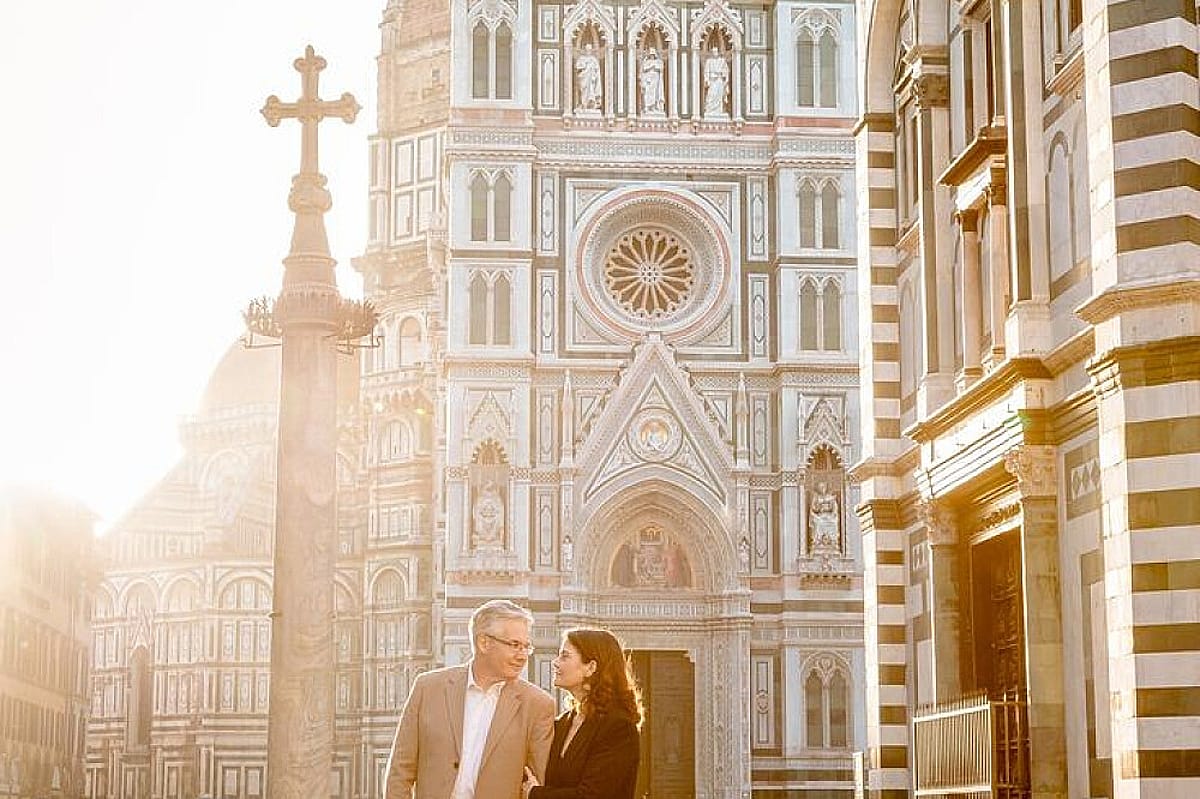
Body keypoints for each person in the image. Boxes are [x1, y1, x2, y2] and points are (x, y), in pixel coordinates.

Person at [385, 600, 556, 799]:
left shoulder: (538, 705)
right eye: (514, 645)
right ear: (484, 642)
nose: (523, 656)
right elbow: (400, 771)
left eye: (526, 647)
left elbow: (537, 782)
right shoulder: (428, 688)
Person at [521, 628, 642, 799]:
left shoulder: (618, 727)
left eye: (565, 656)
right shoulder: (563, 722)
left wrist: (535, 794)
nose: (555, 663)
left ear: (591, 667)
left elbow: (593, 796)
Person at [575, 44, 602, 112]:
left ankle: (591, 104)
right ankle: (583, 104)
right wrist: (584, 67)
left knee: (591, 91)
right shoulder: (581, 58)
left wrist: (592, 71)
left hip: (592, 80)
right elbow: (577, 67)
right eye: (587, 50)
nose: (588, 51)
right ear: (584, 50)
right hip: (584, 79)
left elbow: (597, 70)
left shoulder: (594, 59)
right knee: (583, 91)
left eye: (589, 50)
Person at [703, 46, 729, 116]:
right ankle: (710, 109)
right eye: (713, 52)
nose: (715, 53)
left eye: (716, 51)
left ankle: (719, 110)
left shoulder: (722, 61)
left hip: (719, 80)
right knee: (711, 95)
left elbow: (726, 71)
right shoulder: (709, 61)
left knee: (719, 95)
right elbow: (706, 71)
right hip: (712, 81)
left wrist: (725, 77)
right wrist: (707, 80)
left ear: (718, 52)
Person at [639, 47, 664, 114]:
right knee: (648, 92)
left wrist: (655, 67)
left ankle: (654, 107)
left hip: (656, 79)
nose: (652, 56)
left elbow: (661, 69)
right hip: (648, 79)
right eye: (650, 55)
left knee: (655, 93)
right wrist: (650, 67)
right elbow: (644, 69)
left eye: (653, 55)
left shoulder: (658, 62)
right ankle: (647, 107)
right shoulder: (646, 62)